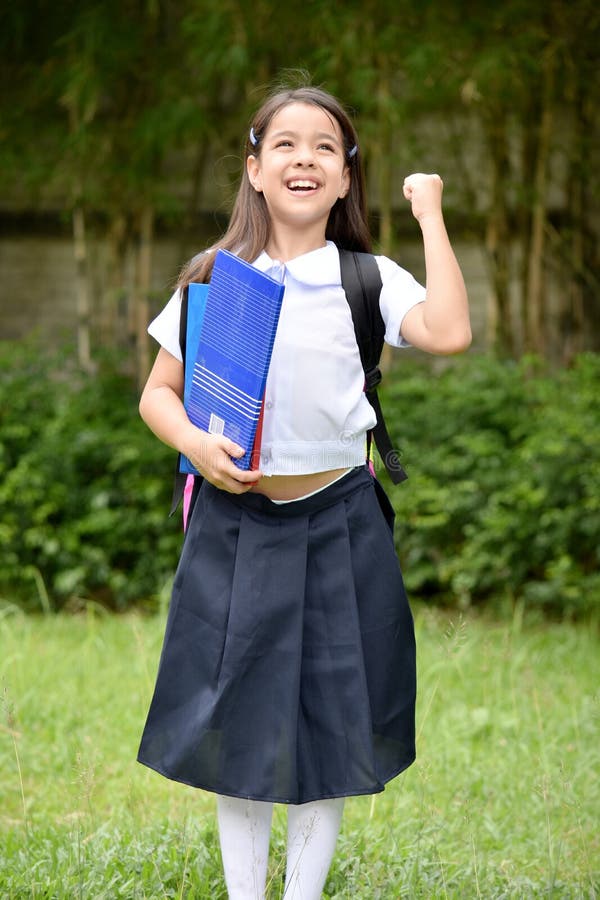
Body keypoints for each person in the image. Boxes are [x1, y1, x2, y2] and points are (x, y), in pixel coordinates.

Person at [137, 84, 470, 899]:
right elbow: (158, 394)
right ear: (254, 170)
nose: (305, 159)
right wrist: (195, 447)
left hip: (339, 520)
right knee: (238, 723)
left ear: (347, 179)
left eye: (325, 147)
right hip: (235, 523)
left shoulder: (368, 278)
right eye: (285, 145)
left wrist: (430, 215)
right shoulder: (216, 280)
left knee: (331, 719)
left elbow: (451, 333)